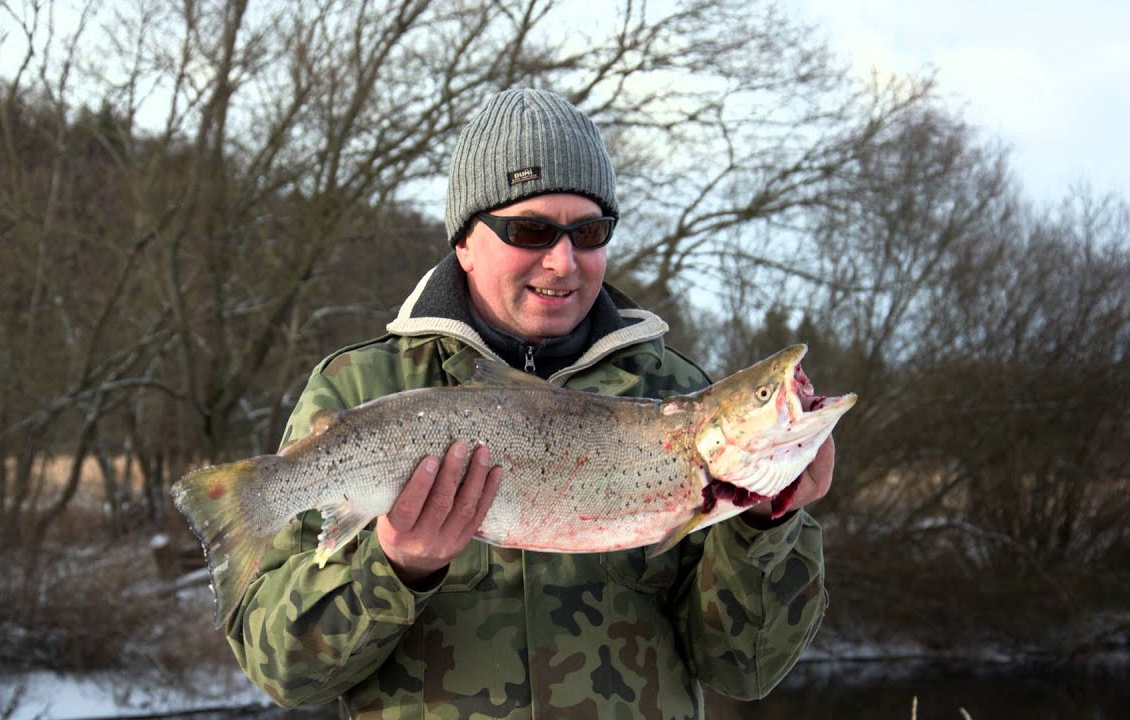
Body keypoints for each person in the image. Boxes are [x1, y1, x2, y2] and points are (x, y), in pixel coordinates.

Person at [226, 88, 834, 718]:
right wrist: (395, 566)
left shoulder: (677, 398)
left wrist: (768, 525)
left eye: (589, 231)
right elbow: (283, 672)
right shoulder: (358, 388)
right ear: (464, 241)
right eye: (530, 230)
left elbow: (744, 667)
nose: (563, 261)